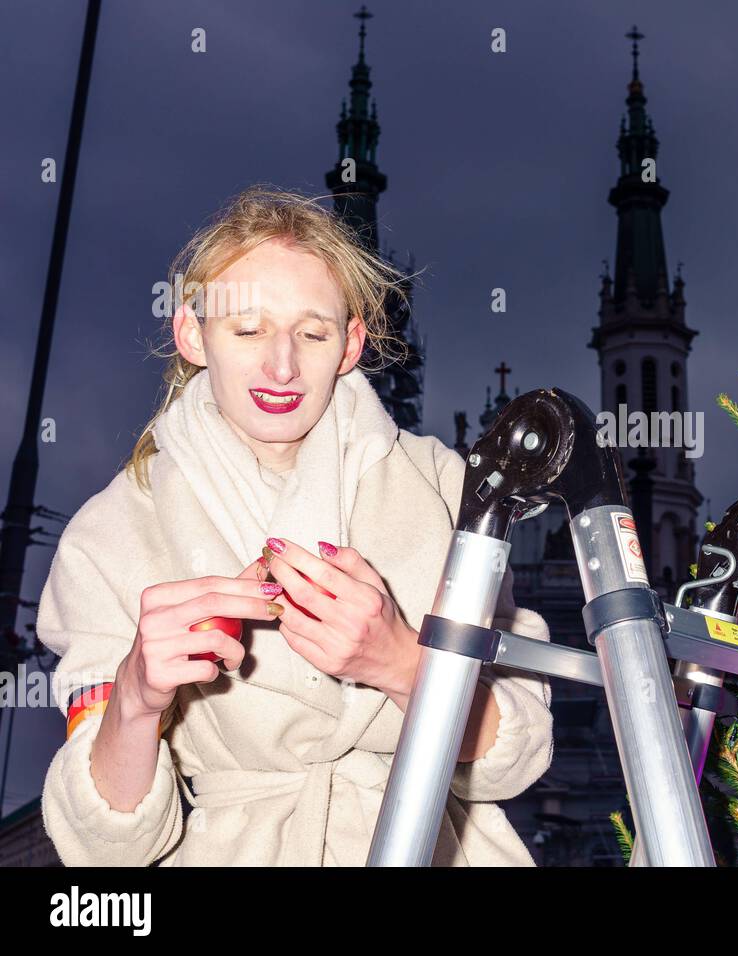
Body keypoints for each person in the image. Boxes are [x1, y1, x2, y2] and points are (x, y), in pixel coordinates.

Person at [38, 186, 553, 866]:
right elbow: (107, 849)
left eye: (312, 333)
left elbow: (514, 760)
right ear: (193, 333)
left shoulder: (447, 487)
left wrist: (401, 663)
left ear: (350, 343)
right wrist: (134, 697)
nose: (281, 366)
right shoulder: (111, 533)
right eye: (248, 329)